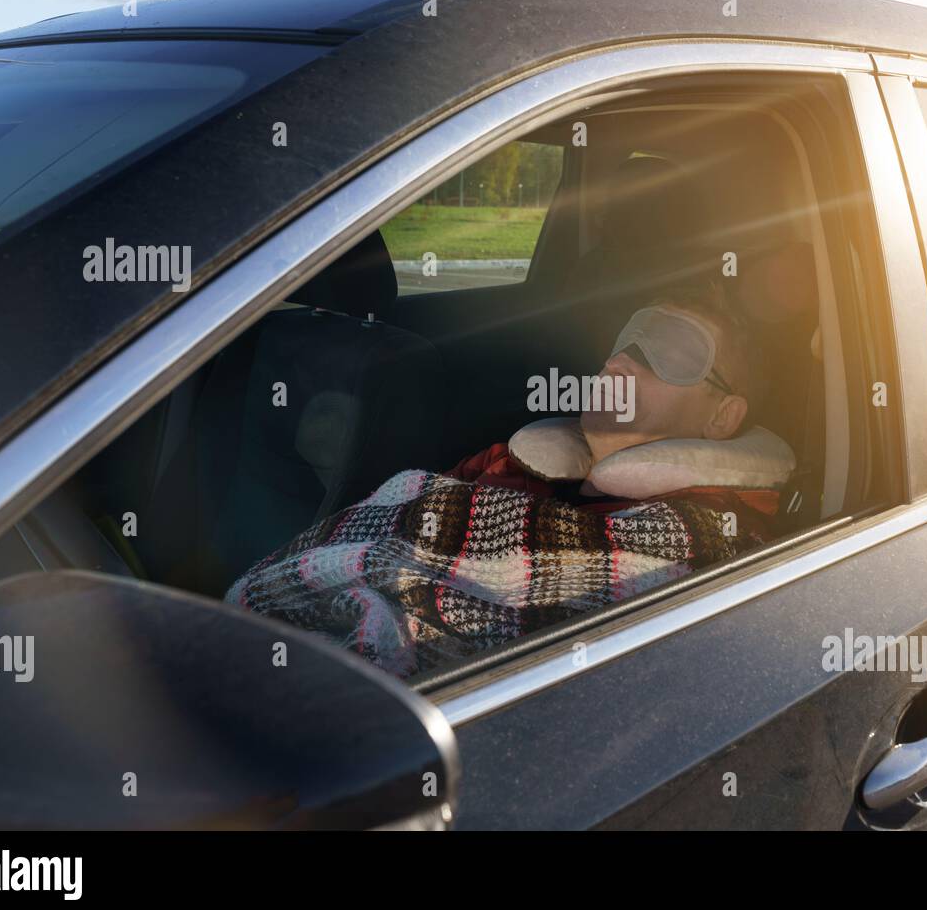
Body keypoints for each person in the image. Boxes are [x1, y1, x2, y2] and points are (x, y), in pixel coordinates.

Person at [225, 286, 796, 678]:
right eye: (627, 342)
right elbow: (392, 531)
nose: (620, 363)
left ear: (722, 417)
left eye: (670, 354)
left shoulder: (709, 540)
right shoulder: (506, 462)